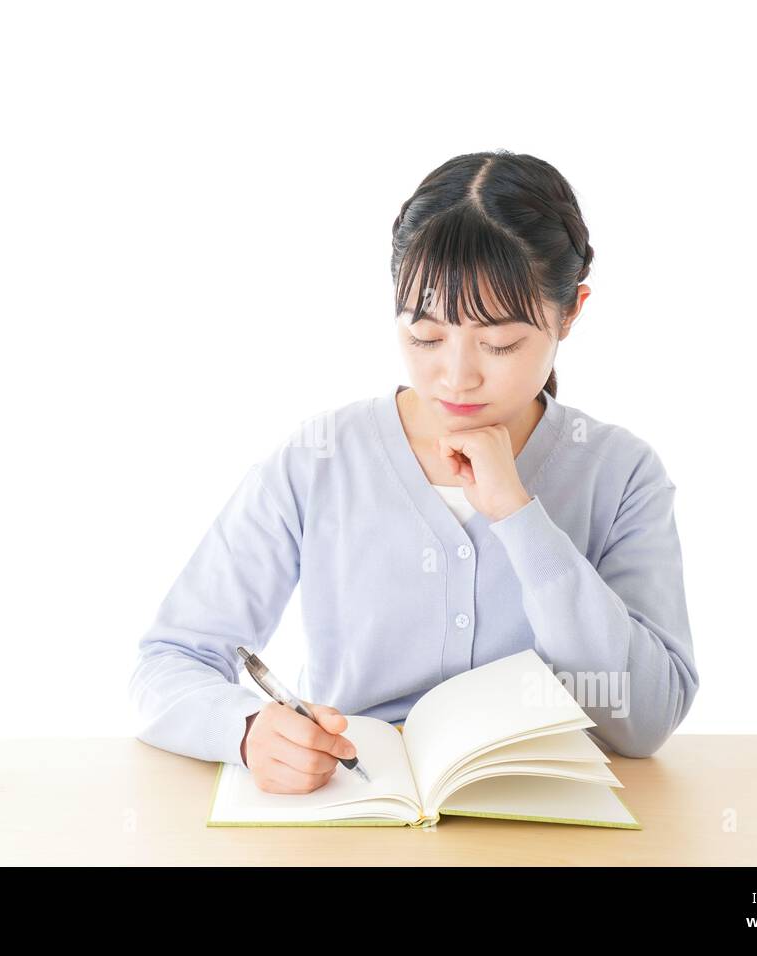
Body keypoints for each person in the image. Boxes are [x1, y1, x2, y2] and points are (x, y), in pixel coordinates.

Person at [128, 149, 698, 795]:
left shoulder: (621, 474)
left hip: (548, 831)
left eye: (501, 343)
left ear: (571, 313)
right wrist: (247, 727)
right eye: (426, 336)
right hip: (350, 816)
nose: (456, 377)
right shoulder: (319, 459)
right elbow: (168, 662)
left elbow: (645, 721)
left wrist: (520, 517)